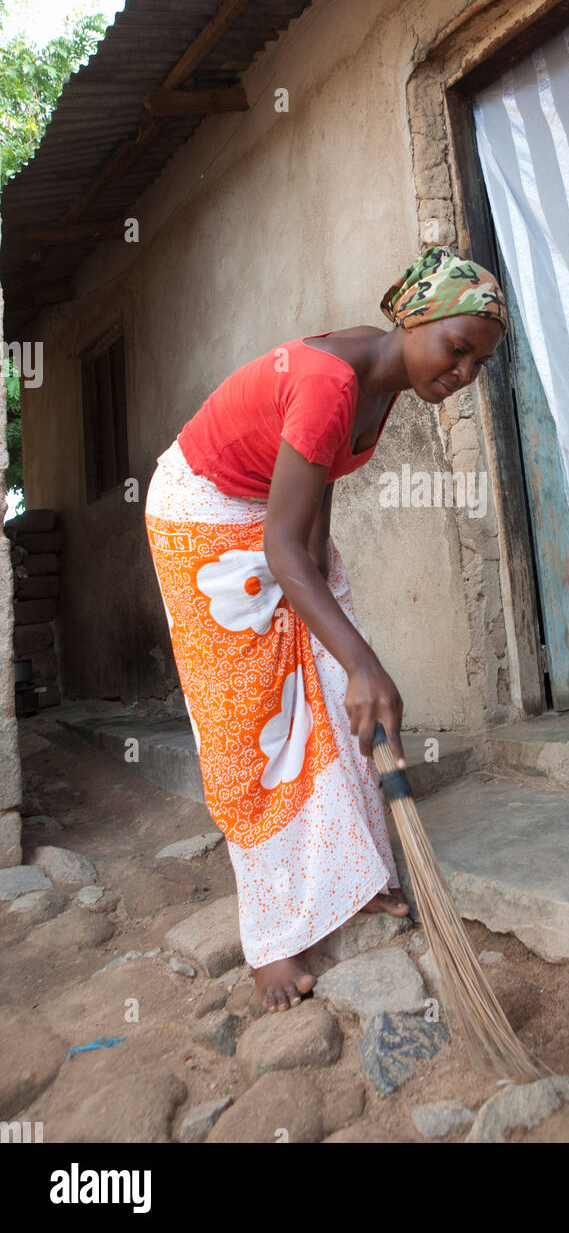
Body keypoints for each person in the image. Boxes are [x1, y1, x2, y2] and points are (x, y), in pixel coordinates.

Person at [143, 245, 508, 1013]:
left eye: (479, 364)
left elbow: (311, 506)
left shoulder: (385, 384)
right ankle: (271, 936)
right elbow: (280, 543)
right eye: (457, 349)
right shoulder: (326, 382)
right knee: (251, 723)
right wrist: (366, 659)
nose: (464, 373)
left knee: (332, 682)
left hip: (272, 522)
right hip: (202, 518)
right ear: (416, 320)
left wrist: (337, 635)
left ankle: (351, 876)